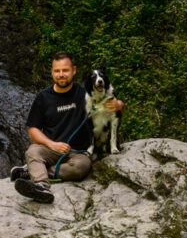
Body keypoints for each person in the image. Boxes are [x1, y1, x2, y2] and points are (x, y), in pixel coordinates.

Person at [10, 51, 123, 204]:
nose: (61, 74)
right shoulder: (43, 97)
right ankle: (41, 186)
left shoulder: (85, 92)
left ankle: (33, 170)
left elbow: (111, 103)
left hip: (78, 152)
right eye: (57, 71)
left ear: (73, 71)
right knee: (33, 151)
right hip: (51, 149)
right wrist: (52, 144)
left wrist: (119, 105)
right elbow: (33, 130)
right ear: (52, 72)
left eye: (65, 70)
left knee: (81, 168)